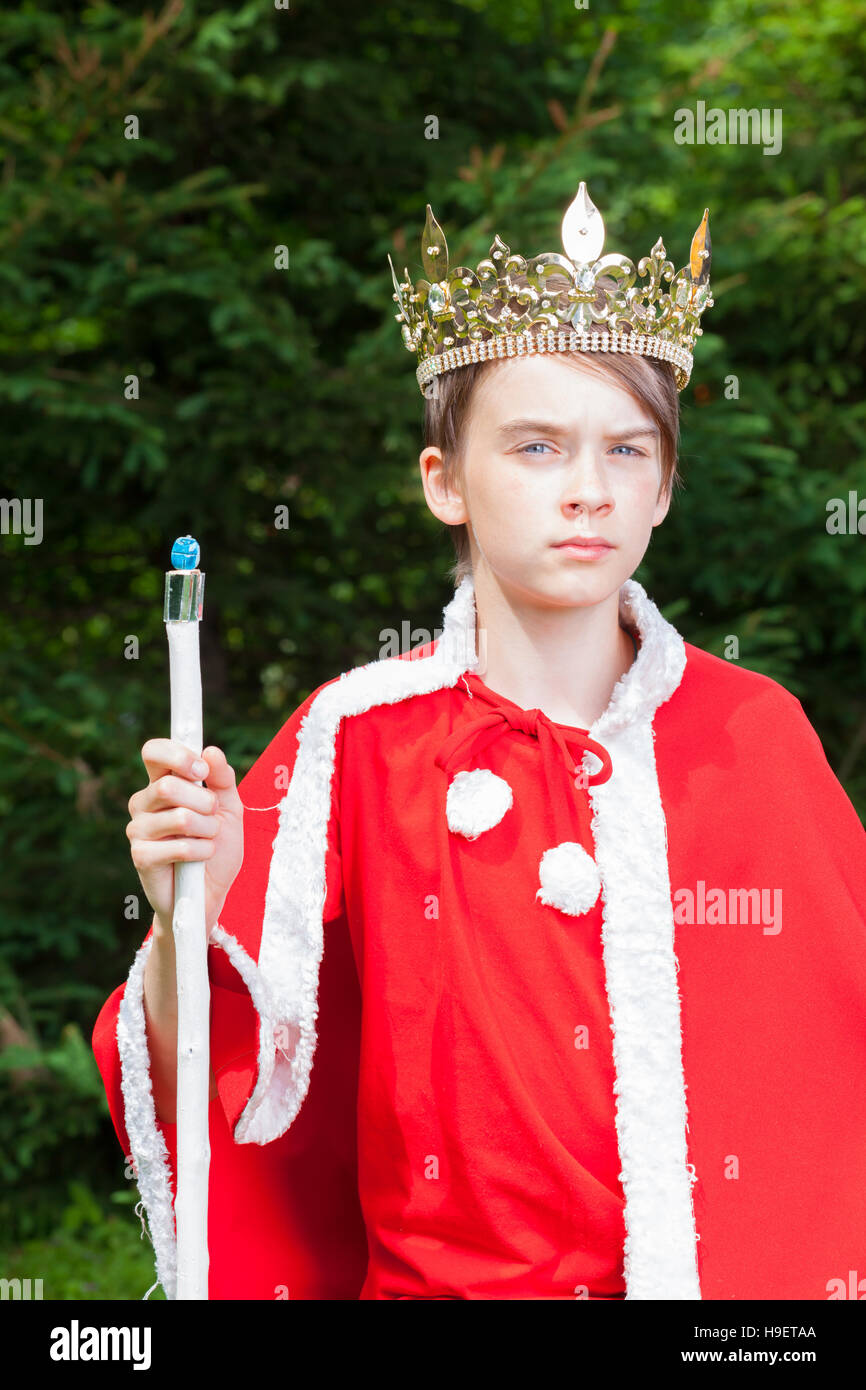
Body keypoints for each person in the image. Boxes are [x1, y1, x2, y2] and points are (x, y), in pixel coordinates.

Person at [92, 183, 866, 1301]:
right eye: (537, 448)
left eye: (627, 452)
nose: (588, 492)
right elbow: (204, 1076)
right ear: (444, 481)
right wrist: (186, 921)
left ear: (663, 489)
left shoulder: (754, 735)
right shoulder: (351, 738)